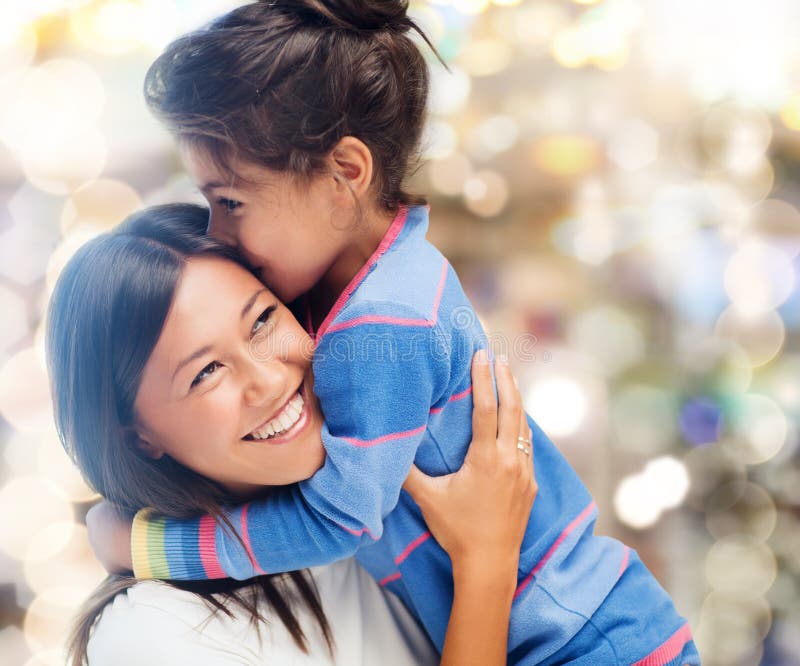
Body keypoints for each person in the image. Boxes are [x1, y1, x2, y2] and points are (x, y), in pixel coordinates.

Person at [89, 1, 700, 663]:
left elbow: (338, 518)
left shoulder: (383, 320)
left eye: (231, 201)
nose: (218, 232)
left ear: (345, 174)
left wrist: (151, 546)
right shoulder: (378, 277)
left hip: (588, 643)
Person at [47, 203, 537, 665]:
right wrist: (486, 561)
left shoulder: (376, 477)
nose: (269, 380)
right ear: (139, 439)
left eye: (262, 320)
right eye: (206, 372)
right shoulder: (151, 633)